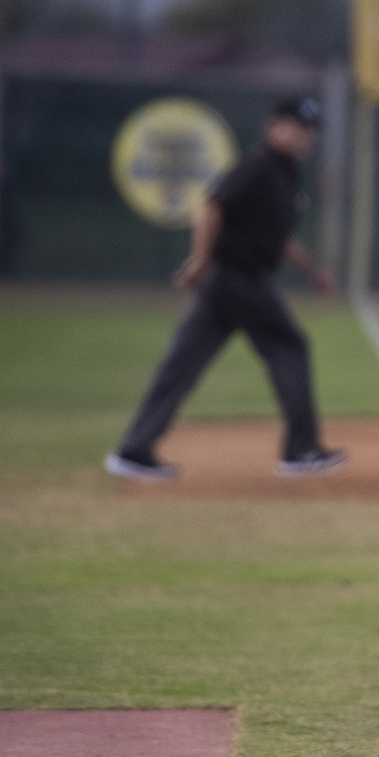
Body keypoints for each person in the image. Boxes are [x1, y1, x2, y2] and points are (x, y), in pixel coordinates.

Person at [106, 96, 345, 482]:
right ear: (274, 128)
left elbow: (280, 239)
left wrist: (312, 272)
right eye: (300, 128)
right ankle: (300, 451)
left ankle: (134, 450)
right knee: (288, 346)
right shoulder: (258, 166)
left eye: (311, 130)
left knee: (182, 364)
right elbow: (211, 206)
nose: (307, 136)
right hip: (238, 277)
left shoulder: (285, 174)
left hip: (233, 282)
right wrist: (200, 261)